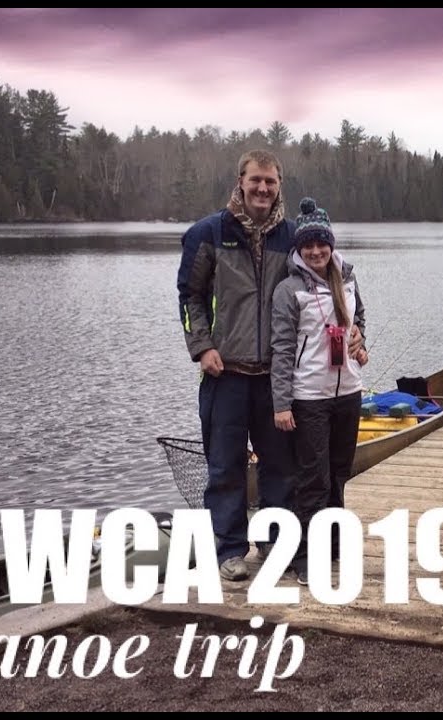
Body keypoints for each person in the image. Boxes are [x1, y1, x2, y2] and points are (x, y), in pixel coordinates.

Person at [176, 149, 299, 582]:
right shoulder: (208, 233)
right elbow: (189, 297)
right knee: (224, 467)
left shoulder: (294, 237)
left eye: (270, 181)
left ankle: (273, 543)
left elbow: (329, 285)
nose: (263, 188)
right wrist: (202, 346)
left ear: (279, 185)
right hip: (224, 375)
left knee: (280, 469)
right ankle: (230, 550)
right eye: (255, 180)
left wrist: (353, 326)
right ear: (240, 182)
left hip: (275, 380)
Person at [270, 198, 369, 585]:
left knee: (340, 473)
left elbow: (358, 319)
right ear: (298, 248)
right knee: (313, 479)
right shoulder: (288, 290)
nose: (315, 252)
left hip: (349, 392)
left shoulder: (347, 277)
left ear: (330, 244)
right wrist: (282, 404)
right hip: (308, 396)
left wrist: (360, 341)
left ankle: (333, 540)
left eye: (321, 244)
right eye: (307, 245)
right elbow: (280, 350)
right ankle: (306, 556)